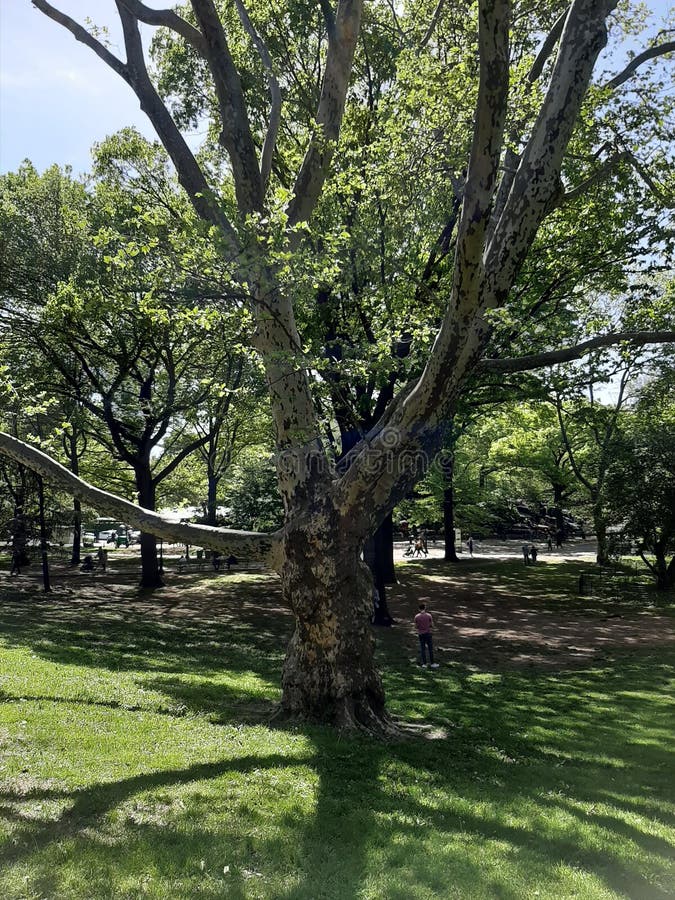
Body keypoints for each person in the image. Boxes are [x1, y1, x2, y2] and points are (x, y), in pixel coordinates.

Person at [414, 603, 439, 668]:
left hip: (421, 634)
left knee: (422, 649)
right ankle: (432, 663)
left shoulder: (417, 616)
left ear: (419, 609)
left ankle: (424, 664)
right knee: (430, 649)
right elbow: (432, 625)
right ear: (425, 608)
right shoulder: (429, 615)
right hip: (428, 633)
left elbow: (416, 626)